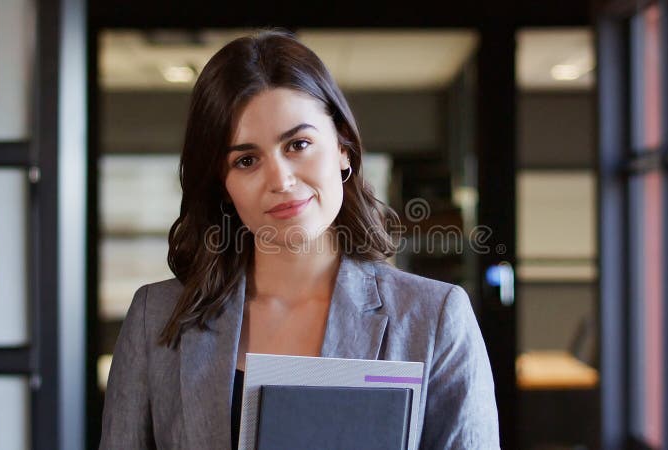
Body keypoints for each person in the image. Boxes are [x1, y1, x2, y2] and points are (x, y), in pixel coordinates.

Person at [99, 29, 500, 450]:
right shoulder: (155, 318)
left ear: (343, 147)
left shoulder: (433, 318)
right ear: (223, 185)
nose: (281, 179)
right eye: (246, 160)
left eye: (298, 144)